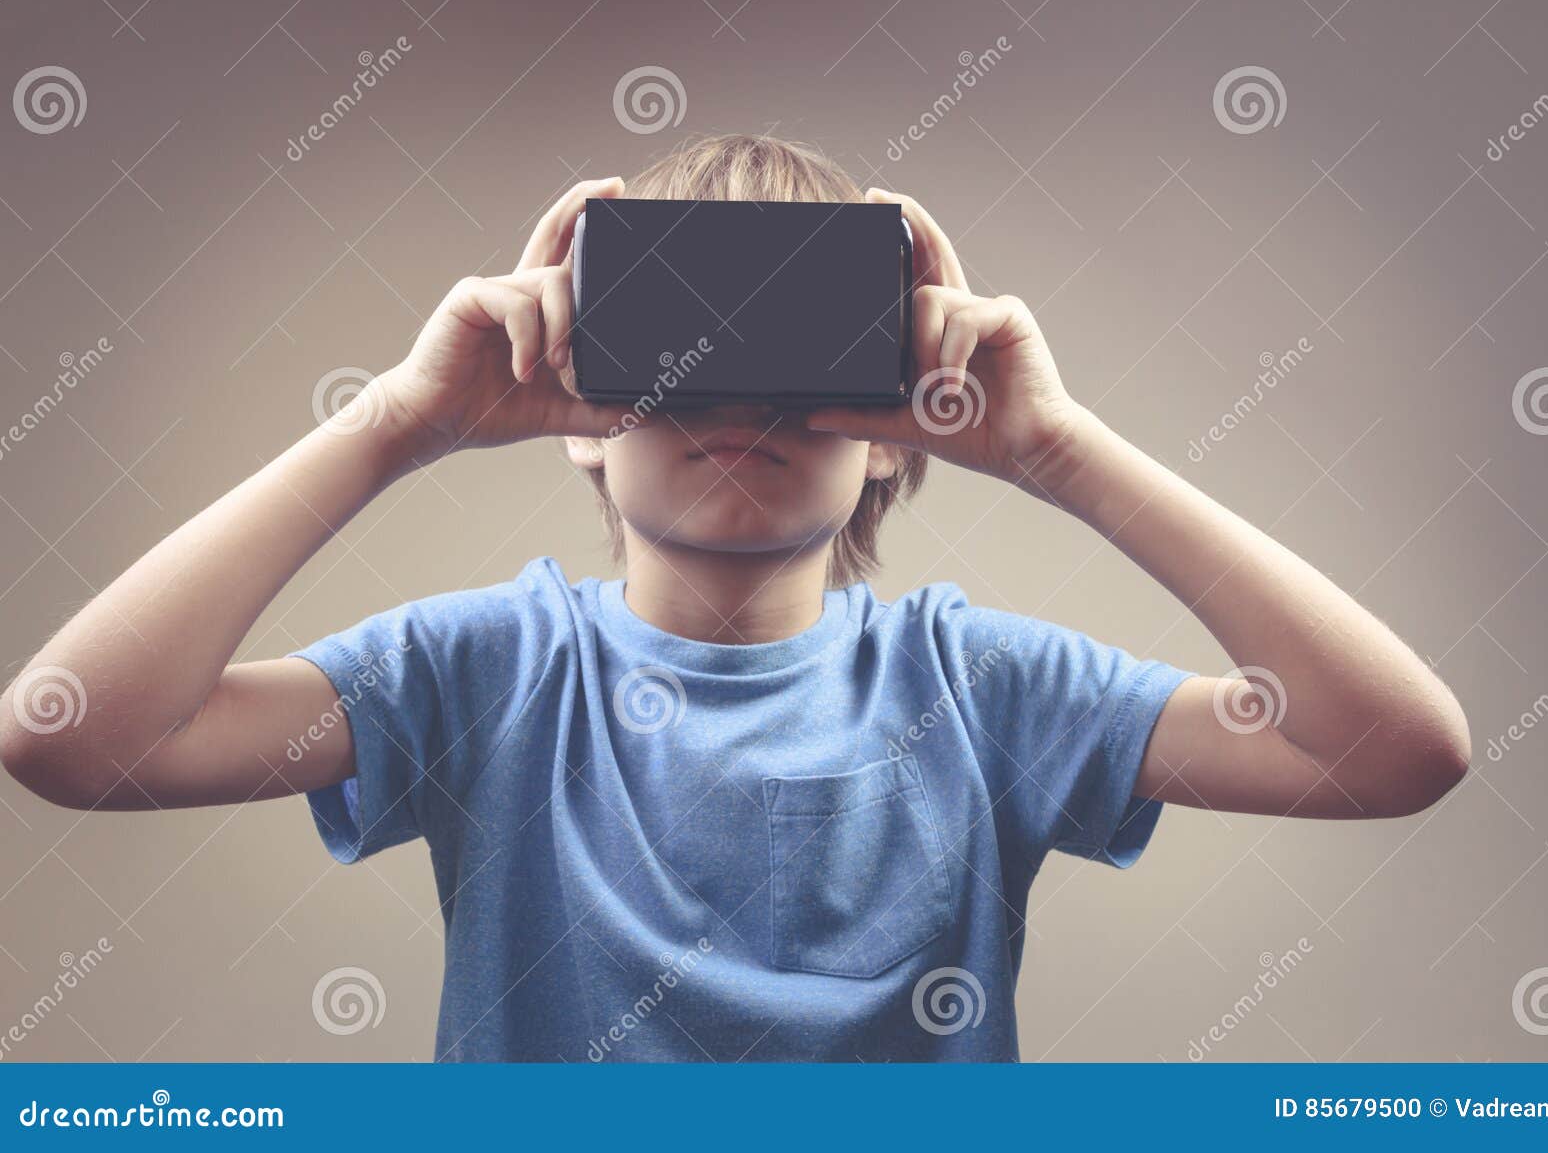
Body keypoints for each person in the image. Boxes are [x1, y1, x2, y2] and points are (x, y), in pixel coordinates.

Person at [0, 135, 1470, 1061]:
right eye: (679, 335)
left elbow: (1398, 746)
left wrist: (1055, 448)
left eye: (803, 340)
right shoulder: (493, 669)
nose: (741, 392)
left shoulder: (979, 688)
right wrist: (398, 420)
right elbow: (73, 734)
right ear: (579, 404)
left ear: (894, 423)